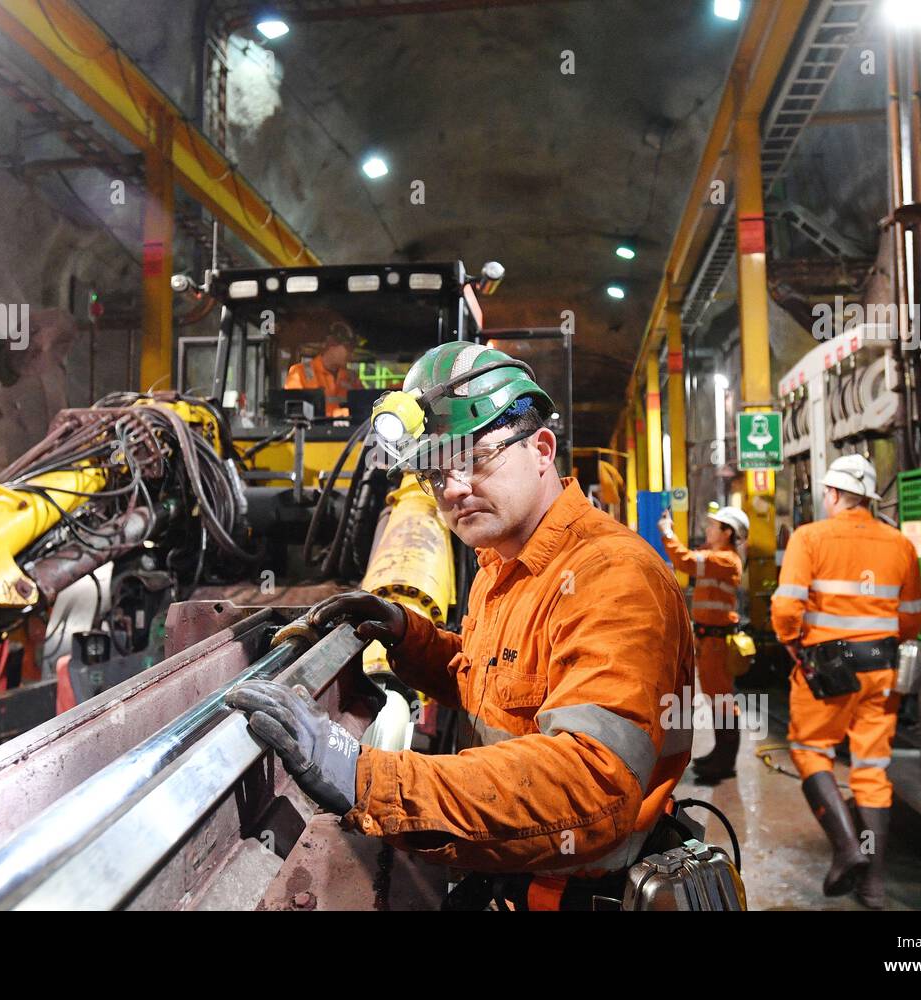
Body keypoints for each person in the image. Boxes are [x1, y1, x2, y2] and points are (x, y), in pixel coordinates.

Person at [228, 342, 695, 909]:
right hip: (514, 882)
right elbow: (499, 687)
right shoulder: (499, 566)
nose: (452, 489)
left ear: (542, 448)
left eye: (475, 459)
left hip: (580, 893)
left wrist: (363, 778)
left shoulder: (613, 576)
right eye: (434, 473)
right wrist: (403, 633)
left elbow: (592, 783)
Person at [770, 453, 921, 909]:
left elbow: (786, 609)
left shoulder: (810, 537)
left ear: (833, 494)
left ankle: (846, 847)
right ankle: (873, 885)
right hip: (881, 669)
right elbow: (911, 619)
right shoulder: (899, 544)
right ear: (868, 498)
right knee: (871, 769)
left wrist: (792, 643)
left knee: (811, 750)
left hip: (827, 670)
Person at [658, 503, 750, 782]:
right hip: (710, 639)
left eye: (714, 526)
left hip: (717, 641)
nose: (708, 529)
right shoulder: (718, 558)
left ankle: (724, 761)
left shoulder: (725, 560)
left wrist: (667, 533)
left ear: (727, 532)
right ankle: (720, 754)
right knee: (715, 696)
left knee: (721, 698)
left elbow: (685, 560)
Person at [284, 320, 363, 415]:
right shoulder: (299, 373)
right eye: (348, 348)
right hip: (314, 429)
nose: (351, 354)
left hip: (350, 429)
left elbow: (363, 406)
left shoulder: (352, 377)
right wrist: (336, 414)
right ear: (331, 345)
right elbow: (295, 411)